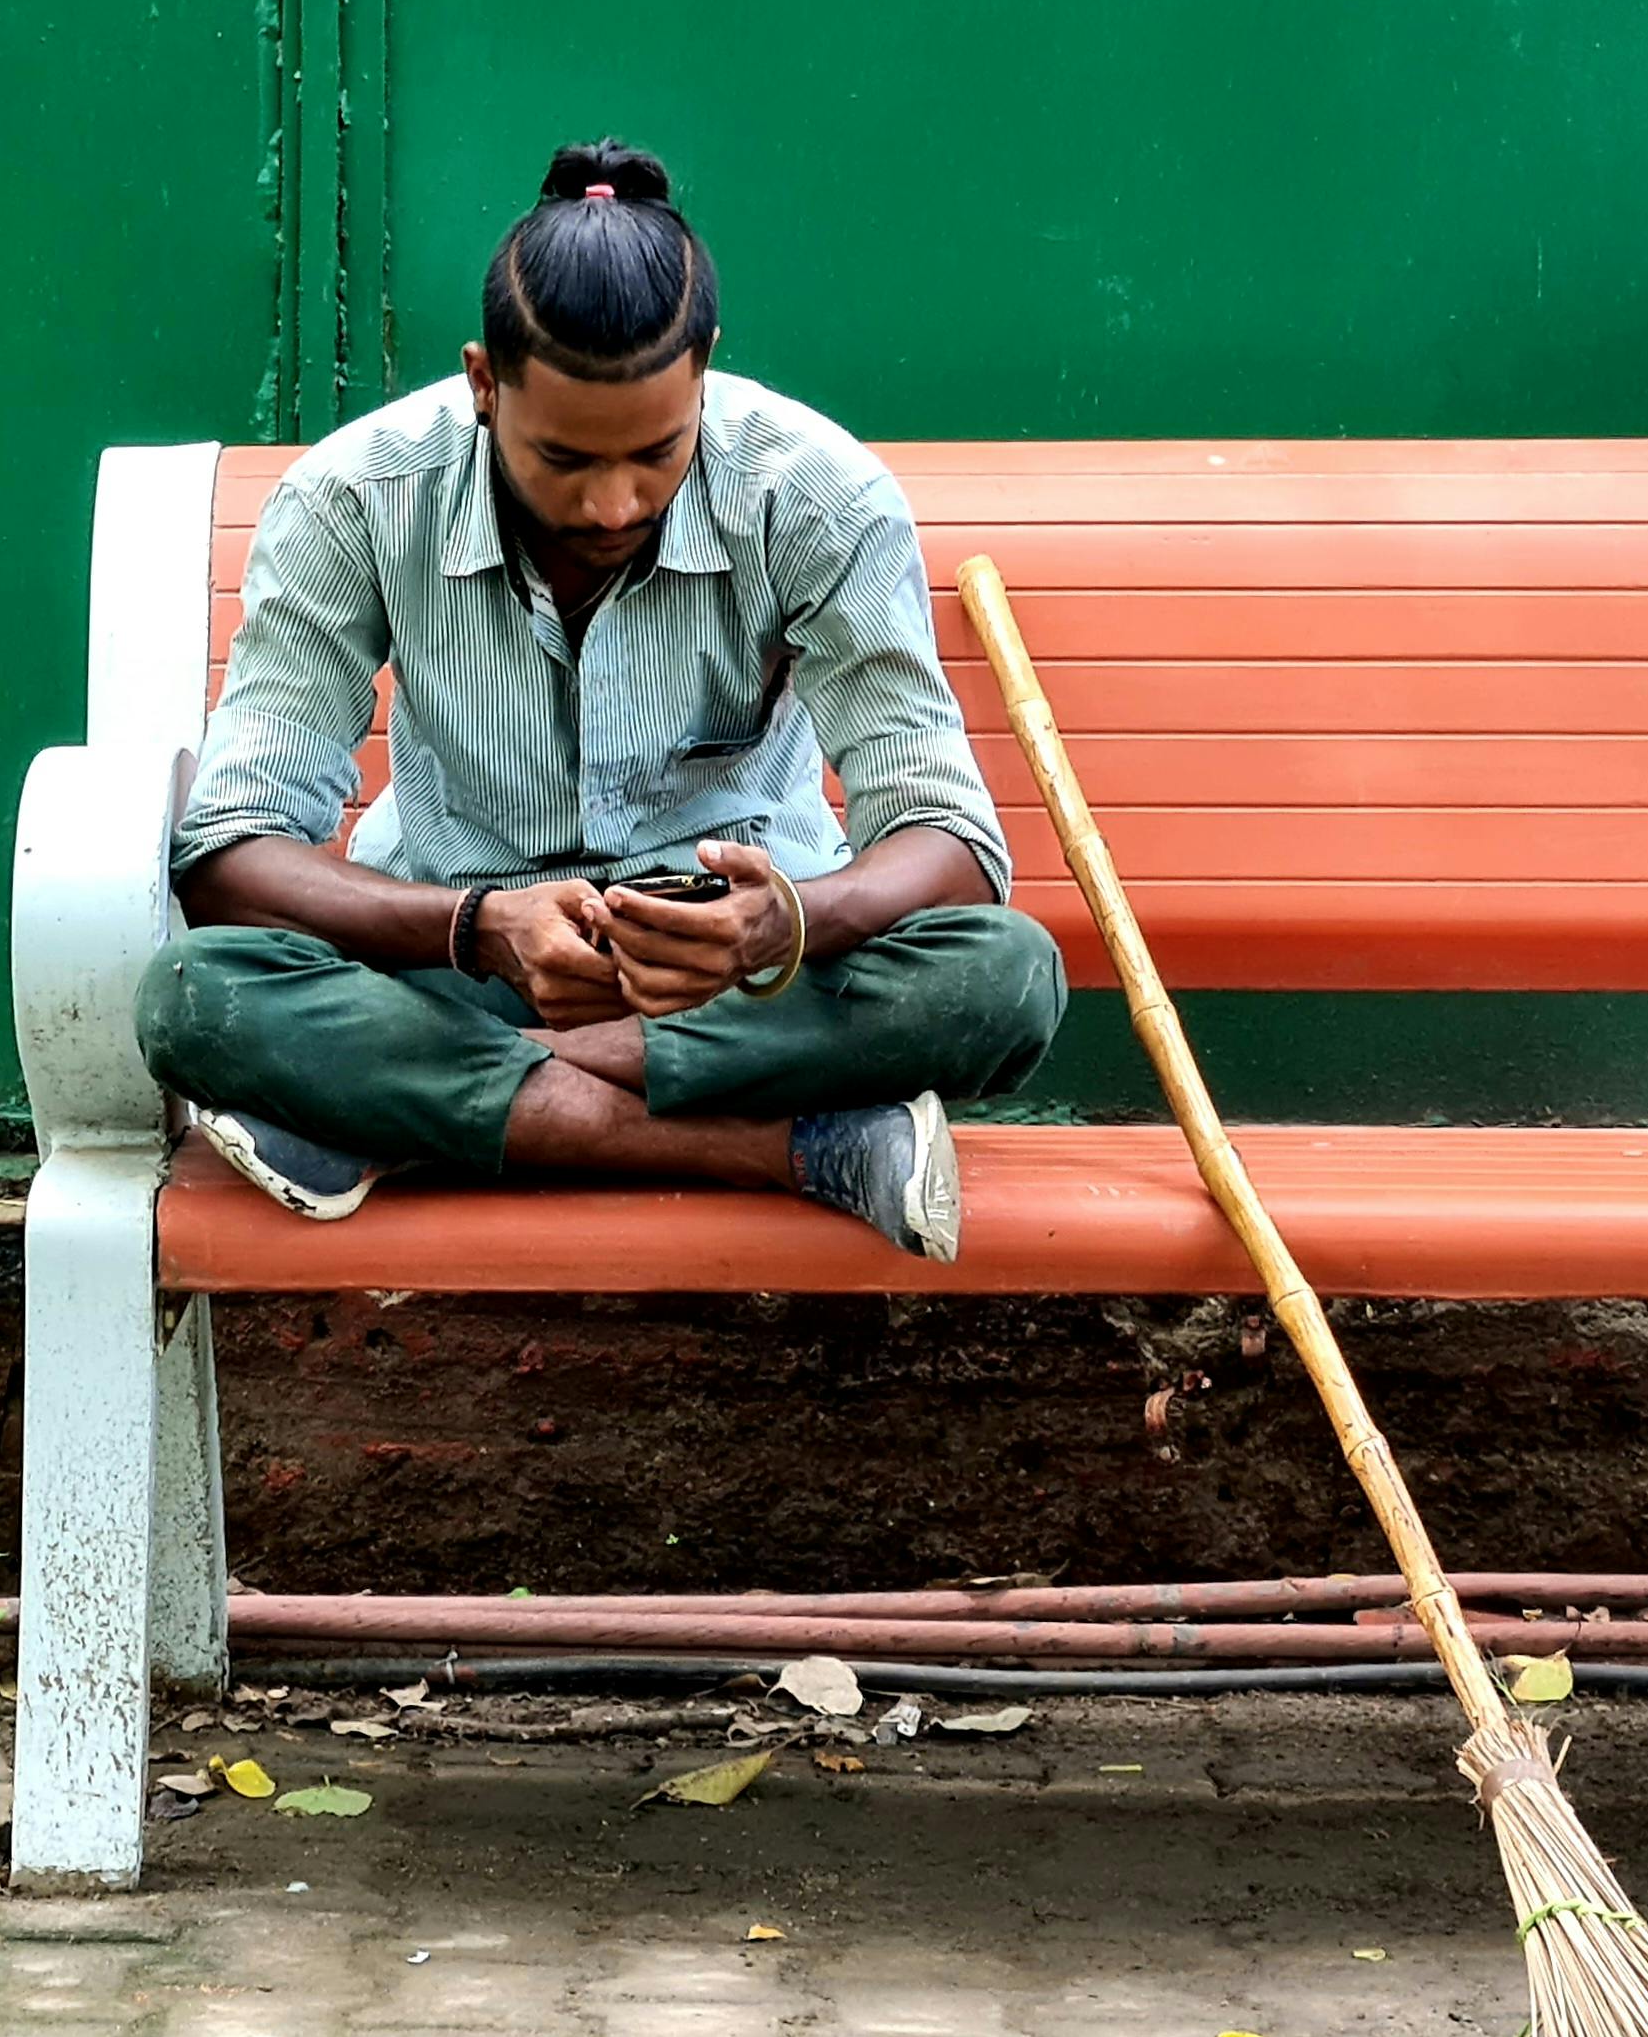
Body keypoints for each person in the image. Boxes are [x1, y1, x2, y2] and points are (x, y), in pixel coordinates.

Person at [134, 140, 1065, 1260]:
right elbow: (232, 849)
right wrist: (477, 930)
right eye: (563, 459)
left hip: (743, 999)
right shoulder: (356, 498)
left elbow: (950, 840)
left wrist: (786, 923)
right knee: (195, 993)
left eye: (657, 454)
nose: (613, 500)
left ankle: (402, 1116)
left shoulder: (818, 495)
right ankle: (791, 1152)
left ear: (705, 369)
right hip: (456, 970)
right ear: (484, 382)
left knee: (1006, 975)